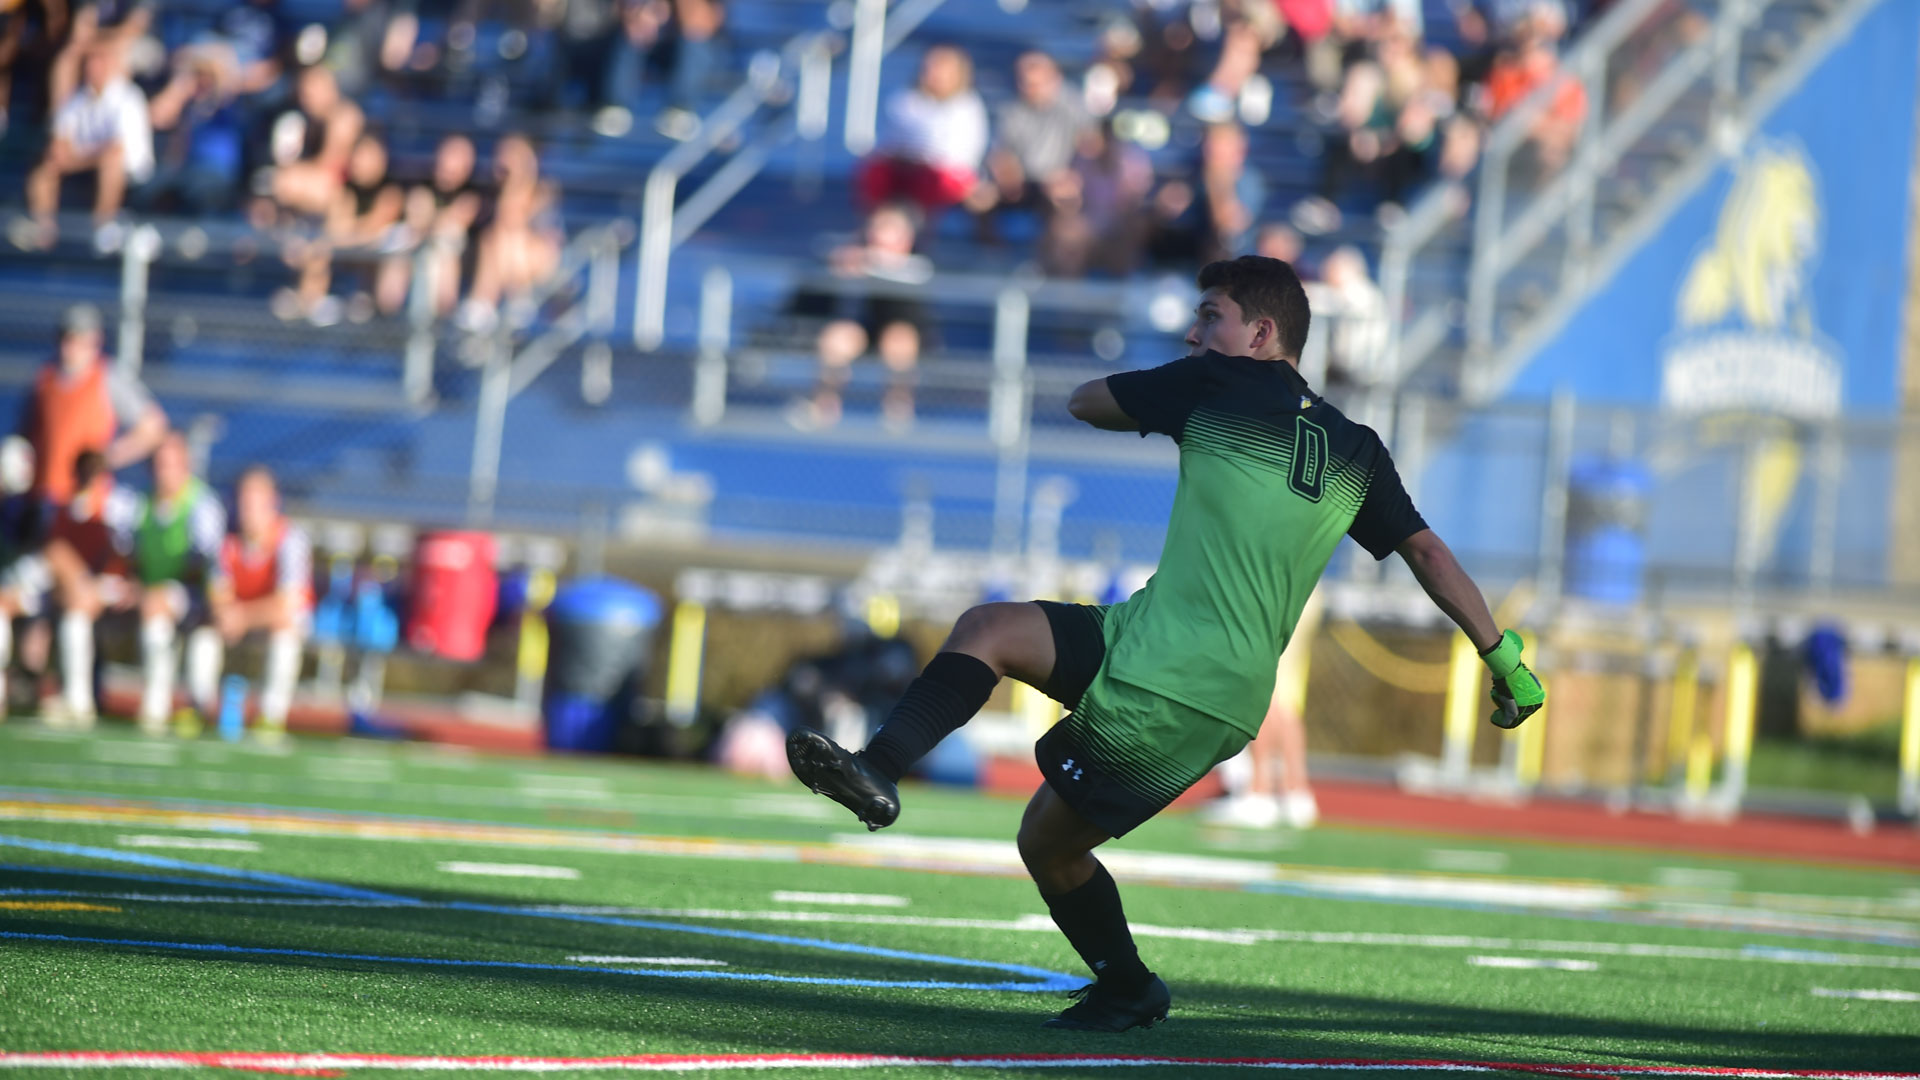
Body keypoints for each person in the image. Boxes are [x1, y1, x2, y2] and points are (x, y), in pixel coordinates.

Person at [787, 255, 1546, 1031]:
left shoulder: (1213, 383)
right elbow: (1428, 553)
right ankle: (881, 772)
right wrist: (1501, 656)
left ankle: (1125, 984)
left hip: (1179, 685)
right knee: (994, 638)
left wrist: (1180, 385)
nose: (1193, 333)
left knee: (1046, 840)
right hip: (1168, 652)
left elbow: (1085, 402)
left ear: (1261, 333)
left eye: (1210, 316)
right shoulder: (1358, 448)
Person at [187, 465, 310, 741]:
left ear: (272, 503)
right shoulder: (225, 542)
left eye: (256, 503)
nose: (249, 511)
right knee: (204, 634)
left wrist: (243, 617)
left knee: (286, 633)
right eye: (244, 503)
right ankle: (200, 708)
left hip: (267, 621)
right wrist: (227, 614)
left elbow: (288, 602)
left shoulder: (290, 539)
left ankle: (271, 715)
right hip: (237, 619)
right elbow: (218, 593)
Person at [20, 304, 167, 509]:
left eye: (77, 339)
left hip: (86, 501)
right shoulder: (45, 378)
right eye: (65, 338)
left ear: (95, 341)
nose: (68, 347)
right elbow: (26, 434)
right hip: (44, 499)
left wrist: (107, 457)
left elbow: (153, 427)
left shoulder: (107, 377)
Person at [1203, 585, 1324, 829]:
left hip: (1273, 590)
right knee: (1284, 698)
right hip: (1305, 588)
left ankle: (1260, 791)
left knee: (1262, 689)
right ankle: (1296, 793)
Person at [131, 431, 224, 736]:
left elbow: (207, 564)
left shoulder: (202, 504)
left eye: (170, 464)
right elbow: (126, 553)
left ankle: (159, 704)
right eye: (159, 465)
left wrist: (159, 591)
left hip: (194, 595)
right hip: (147, 591)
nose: (163, 472)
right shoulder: (141, 502)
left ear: (185, 466)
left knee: (157, 605)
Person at [41, 448, 140, 729]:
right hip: (76, 587)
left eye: (96, 472)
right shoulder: (63, 509)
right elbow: (53, 554)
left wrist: (96, 582)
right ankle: (77, 698)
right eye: (85, 473)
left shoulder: (119, 505)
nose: (90, 479)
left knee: (79, 605)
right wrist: (76, 582)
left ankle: (79, 698)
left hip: (115, 583)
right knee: (75, 607)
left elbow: (126, 557)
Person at [23, 41, 152, 247]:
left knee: (111, 162)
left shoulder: (128, 97)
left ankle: (103, 227)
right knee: (45, 169)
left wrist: (75, 158)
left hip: (130, 172)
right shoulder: (77, 98)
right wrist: (75, 158)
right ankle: (44, 231)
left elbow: (116, 149)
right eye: (90, 63)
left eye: (98, 63)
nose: (92, 68)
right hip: (87, 166)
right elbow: (58, 145)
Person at [857, 44, 988, 216]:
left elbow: (963, 156)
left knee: (932, 179)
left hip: (944, 176)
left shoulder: (968, 106)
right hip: (906, 168)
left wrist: (924, 161)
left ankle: (917, 225)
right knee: (876, 172)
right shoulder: (905, 99)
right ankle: (880, 222)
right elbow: (889, 143)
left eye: (941, 68)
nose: (934, 73)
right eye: (930, 67)